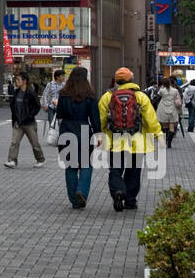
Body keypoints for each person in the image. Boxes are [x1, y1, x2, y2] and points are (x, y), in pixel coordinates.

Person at [98, 67, 162, 211]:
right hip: (137, 141)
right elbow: (150, 119)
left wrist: (100, 135)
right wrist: (158, 134)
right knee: (134, 172)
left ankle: (118, 191)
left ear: (116, 80)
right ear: (131, 80)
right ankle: (130, 201)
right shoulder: (141, 96)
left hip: (115, 140)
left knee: (115, 170)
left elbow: (101, 119)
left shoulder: (107, 97)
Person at [56, 67, 100, 209]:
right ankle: (81, 191)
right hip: (84, 130)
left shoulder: (63, 94)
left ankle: (74, 200)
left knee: (71, 166)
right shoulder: (89, 95)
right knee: (86, 164)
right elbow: (94, 117)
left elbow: (60, 114)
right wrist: (98, 134)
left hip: (67, 129)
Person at [4, 71, 45, 168]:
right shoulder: (16, 92)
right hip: (18, 122)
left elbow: (37, 106)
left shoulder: (31, 93)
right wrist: (15, 118)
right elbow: (13, 105)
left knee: (35, 143)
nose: (16, 82)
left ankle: (40, 159)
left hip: (29, 123)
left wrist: (30, 115)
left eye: (18, 80)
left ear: (24, 81)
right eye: (16, 80)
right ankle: (12, 160)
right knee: (14, 142)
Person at [153, 75, 183, 148]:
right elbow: (178, 98)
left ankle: (166, 141)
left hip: (163, 108)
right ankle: (169, 142)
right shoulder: (175, 90)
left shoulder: (162, 90)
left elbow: (158, 94)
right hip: (173, 109)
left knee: (165, 126)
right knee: (172, 127)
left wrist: (163, 86)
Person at [41, 70, 65, 141]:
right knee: (52, 124)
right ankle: (52, 138)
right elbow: (45, 94)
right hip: (51, 107)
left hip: (61, 107)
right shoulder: (50, 84)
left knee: (61, 123)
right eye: (62, 76)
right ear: (57, 77)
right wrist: (45, 105)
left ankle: (61, 139)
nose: (64, 77)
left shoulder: (64, 85)